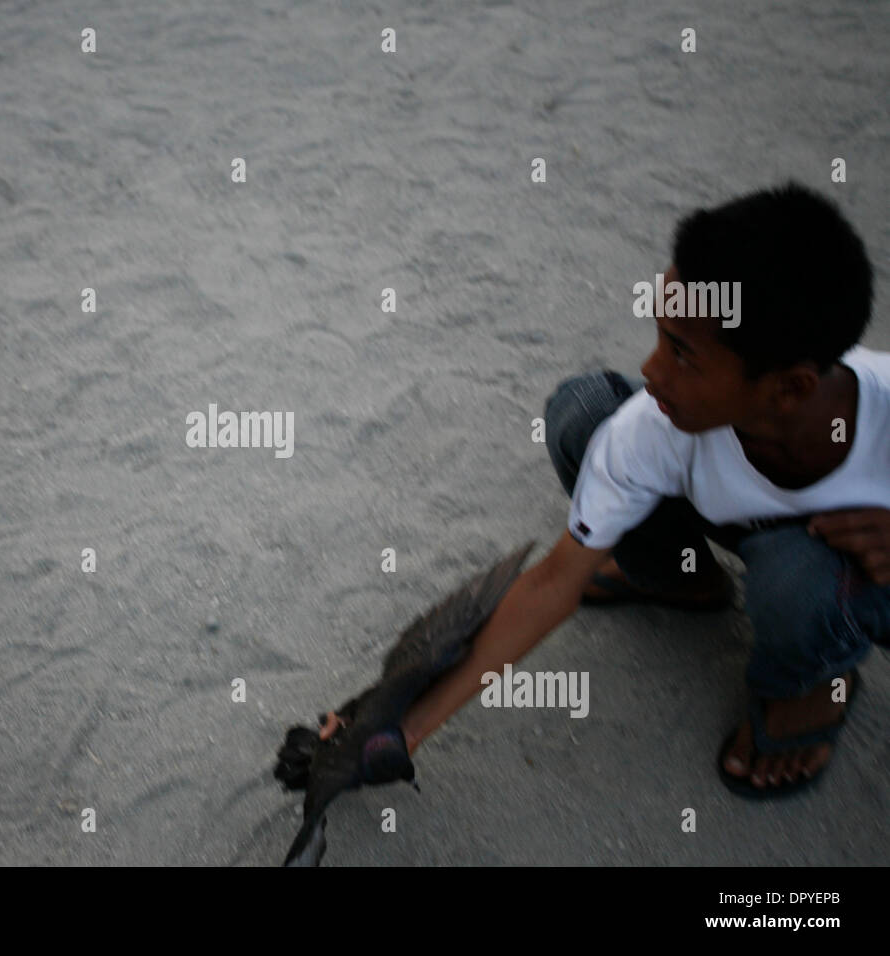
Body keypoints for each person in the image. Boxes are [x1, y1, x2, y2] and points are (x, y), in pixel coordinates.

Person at [321, 182, 889, 798]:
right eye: (659, 334)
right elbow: (552, 582)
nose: (650, 369)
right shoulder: (658, 426)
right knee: (584, 414)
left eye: (681, 353)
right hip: (731, 517)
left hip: (827, 569)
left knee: (798, 586)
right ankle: (681, 576)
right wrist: (398, 729)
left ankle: (810, 689)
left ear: (790, 389)